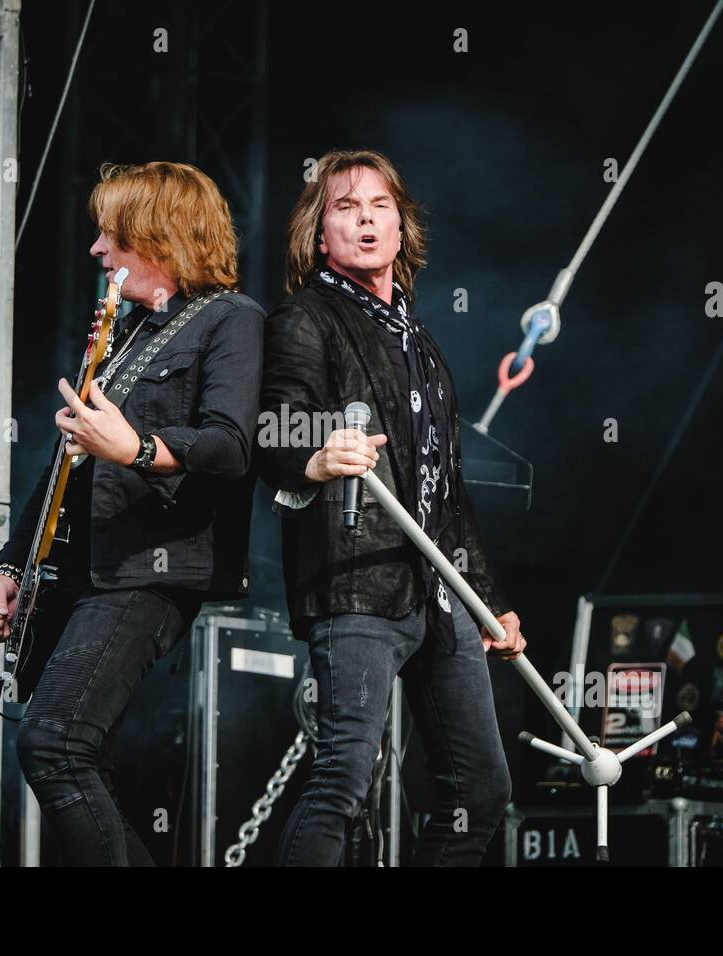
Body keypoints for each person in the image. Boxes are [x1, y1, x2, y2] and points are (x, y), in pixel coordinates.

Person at [0, 161, 264, 865]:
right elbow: (65, 464)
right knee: (80, 758)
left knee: (55, 745)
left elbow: (232, 446)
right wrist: (14, 567)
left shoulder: (232, 319)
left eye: (112, 233)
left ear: (157, 234)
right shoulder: (126, 333)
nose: (98, 250)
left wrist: (138, 447)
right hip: (84, 570)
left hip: (149, 573)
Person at [260, 148, 524, 866]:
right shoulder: (306, 320)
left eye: (379, 205)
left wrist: (488, 601)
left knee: (481, 788)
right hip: (356, 588)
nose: (365, 218)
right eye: (345, 208)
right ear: (321, 236)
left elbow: (446, 487)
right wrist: (316, 454)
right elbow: (272, 427)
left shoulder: (421, 343)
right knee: (344, 774)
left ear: (403, 228)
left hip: (439, 591)